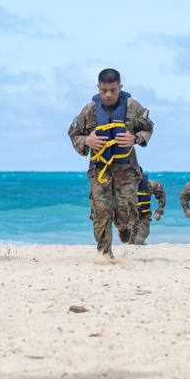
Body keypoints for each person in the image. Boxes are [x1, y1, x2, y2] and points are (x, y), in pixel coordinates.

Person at [68, 68, 154, 262]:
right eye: (104, 90)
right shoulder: (89, 110)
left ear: (120, 88)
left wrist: (135, 138)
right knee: (101, 212)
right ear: (98, 88)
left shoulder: (133, 108)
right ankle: (105, 253)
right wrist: (86, 141)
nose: (108, 94)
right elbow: (73, 134)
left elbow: (148, 128)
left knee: (126, 214)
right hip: (99, 170)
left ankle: (124, 227)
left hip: (126, 171)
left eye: (113, 90)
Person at [133, 173, 166, 245]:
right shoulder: (127, 185)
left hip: (144, 218)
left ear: (142, 175)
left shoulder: (151, 184)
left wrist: (159, 211)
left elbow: (162, 196)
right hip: (131, 219)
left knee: (139, 240)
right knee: (131, 243)